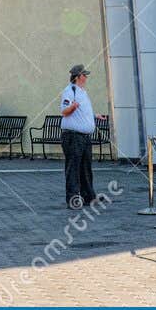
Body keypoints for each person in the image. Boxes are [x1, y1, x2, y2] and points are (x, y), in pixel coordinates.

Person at [59, 64, 97, 209]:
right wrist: (72, 107)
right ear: (78, 77)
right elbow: (64, 111)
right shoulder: (70, 91)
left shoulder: (82, 92)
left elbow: (83, 112)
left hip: (84, 137)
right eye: (84, 75)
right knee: (73, 169)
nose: (86, 77)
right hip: (73, 137)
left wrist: (94, 116)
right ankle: (73, 199)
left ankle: (88, 196)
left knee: (86, 168)